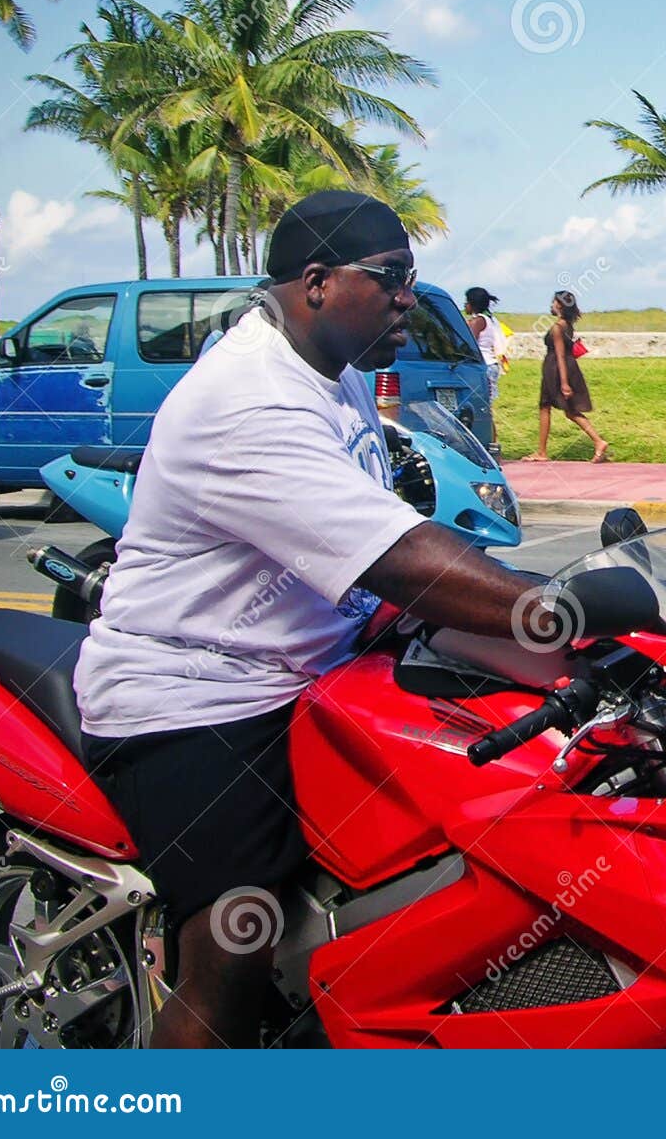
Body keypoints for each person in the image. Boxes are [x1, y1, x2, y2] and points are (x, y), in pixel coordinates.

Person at [75, 191, 553, 1049]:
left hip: (316, 672)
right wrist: (556, 613)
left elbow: (387, 525)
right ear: (319, 283)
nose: (409, 297)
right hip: (197, 697)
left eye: (414, 278)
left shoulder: (338, 374)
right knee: (234, 939)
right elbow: (397, 558)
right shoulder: (251, 397)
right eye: (391, 277)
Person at [522, 289, 609, 463]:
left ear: (560, 305)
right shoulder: (568, 325)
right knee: (559, 409)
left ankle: (596, 441)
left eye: (554, 302)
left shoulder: (557, 327)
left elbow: (560, 355)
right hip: (565, 367)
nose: (551, 305)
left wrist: (564, 382)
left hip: (556, 369)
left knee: (554, 408)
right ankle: (543, 451)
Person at [464, 286, 503, 447]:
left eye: (466, 302)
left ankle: (491, 443)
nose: (465, 305)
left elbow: (469, 343)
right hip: (490, 365)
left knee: (483, 408)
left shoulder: (478, 321)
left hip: (483, 366)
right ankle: (492, 443)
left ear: (472, 304)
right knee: (485, 408)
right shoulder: (488, 319)